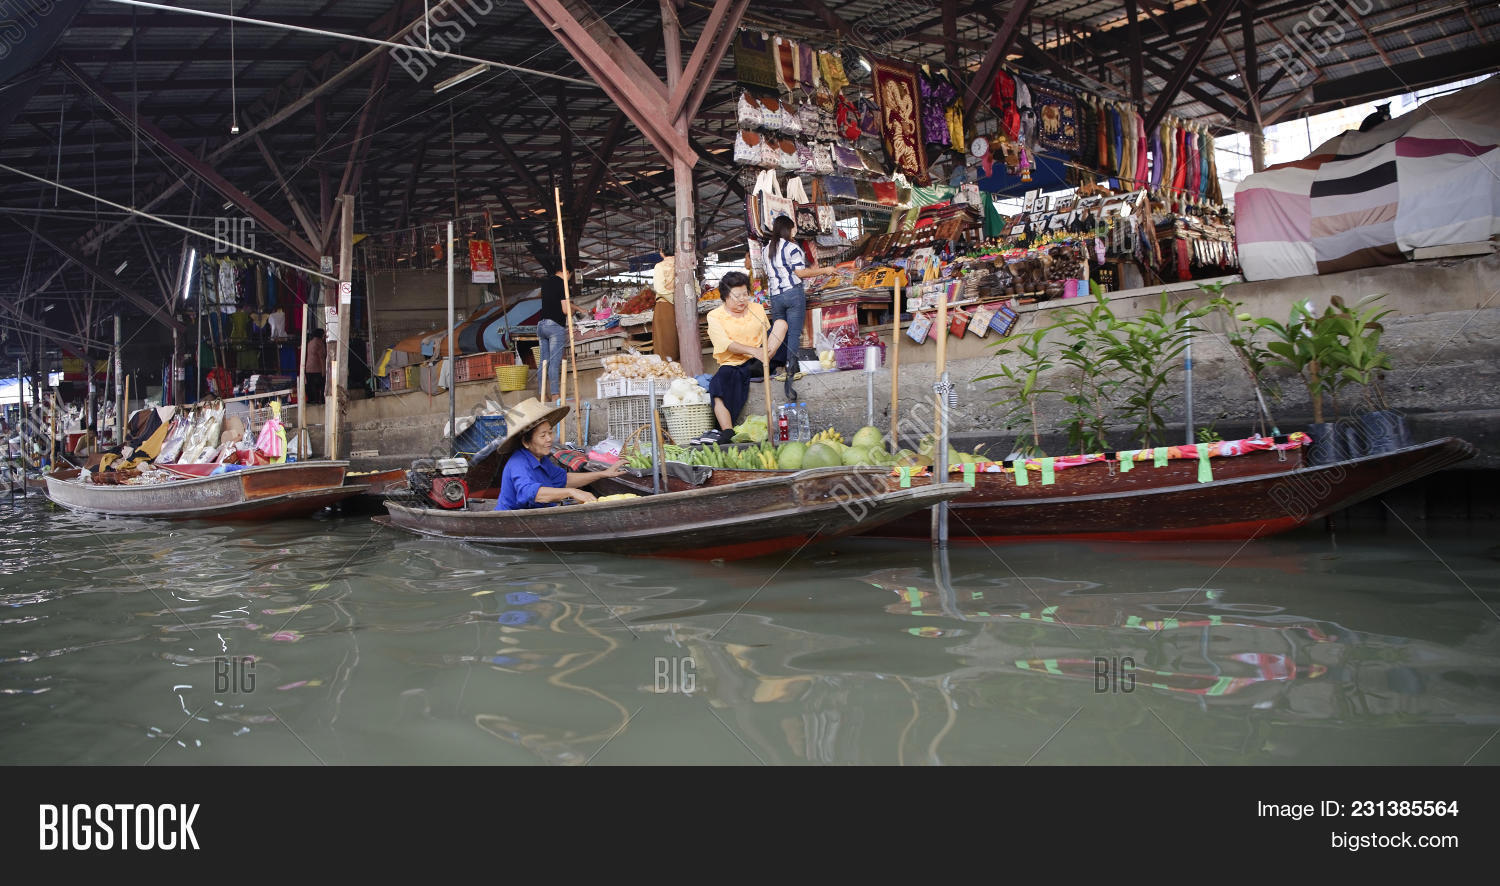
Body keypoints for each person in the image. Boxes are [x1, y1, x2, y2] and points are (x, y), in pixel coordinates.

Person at [693, 271, 787, 445]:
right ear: (726, 297)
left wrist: (763, 353)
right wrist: (753, 351)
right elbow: (725, 343)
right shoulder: (715, 316)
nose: (743, 299)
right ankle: (727, 430)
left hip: (763, 358)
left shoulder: (756, 308)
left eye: (745, 294)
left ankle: (766, 360)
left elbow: (768, 334)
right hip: (734, 363)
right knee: (717, 383)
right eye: (737, 296)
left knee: (781, 324)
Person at [492, 397, 626, 511]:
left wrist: (604, 473)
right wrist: (571, 492)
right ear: (526, 442)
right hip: (515, 521)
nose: (549, 439)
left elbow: (565, 480)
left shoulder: (541, 459)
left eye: (550, 433)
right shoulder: (518, 463)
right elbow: (532, 494)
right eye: (542, 435)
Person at [762, 214, 829, 401]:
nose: (795, 232)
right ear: (788, 229)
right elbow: (801, 272)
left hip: (775, 297)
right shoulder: (792, 248)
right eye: (793, 229)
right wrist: (824, 270)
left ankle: (773, 365)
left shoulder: (765, 250)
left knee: (778, 333)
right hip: (793, 294)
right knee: (793, 334)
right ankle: (792, 368)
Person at [536, 266, 577, 402]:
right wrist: (573, 311)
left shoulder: (546, 283)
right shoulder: (562, 284)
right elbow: (565, 310)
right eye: (570, 276)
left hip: (541, 325)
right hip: (554, 326)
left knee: (543, 362)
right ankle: (555, 395)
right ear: (567, 272)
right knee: (554, 362)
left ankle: (542, 395)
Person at [651, 248, 680, 361]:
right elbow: (695, 287)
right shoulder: (684, 265)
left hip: (666, 305)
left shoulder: (660, 266)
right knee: (682, 341)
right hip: (685, 305)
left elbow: (660, 289)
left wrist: (674, 300)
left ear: (661, 251)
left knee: (665, 342)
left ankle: (670, 371)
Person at [303, 327, 327, 405]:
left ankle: (313, 400)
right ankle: (321, 401)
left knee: (311, 386)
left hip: (308, 368)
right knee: (320, 385)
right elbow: (321, 357)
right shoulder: (320, 343)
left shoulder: (310, 343)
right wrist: (324, 371)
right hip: (317, 368)